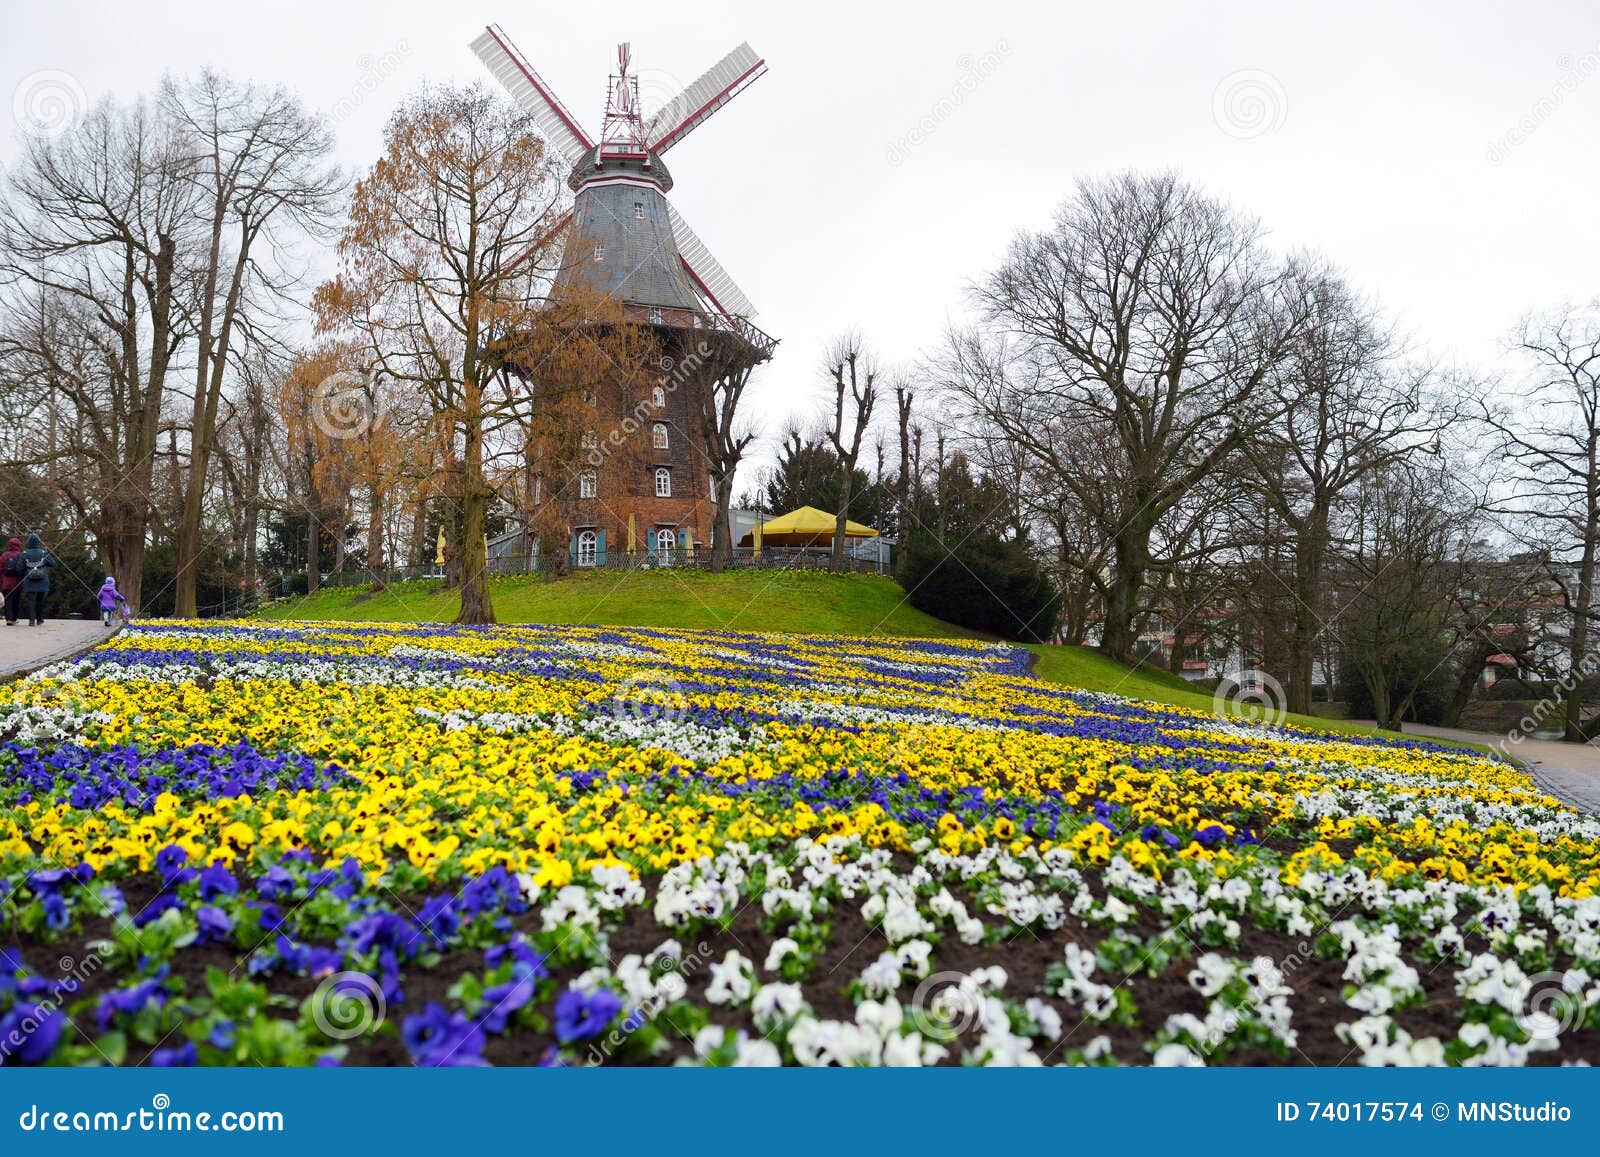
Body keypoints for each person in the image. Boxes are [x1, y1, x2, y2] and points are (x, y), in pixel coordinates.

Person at [18, 533, 56, 627]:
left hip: (29, 581)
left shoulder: (24, 554)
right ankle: (39, 619)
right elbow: (53, 563)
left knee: (31, 601)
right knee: (40, 601)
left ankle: (31, 620)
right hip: (42, 581)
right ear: (39, 542)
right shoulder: (44, 553)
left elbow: (19, 568)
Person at [0, 537, 22, 626]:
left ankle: (8, 618)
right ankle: (14, 618)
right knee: (16, 600)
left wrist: (2, 579)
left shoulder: (4, 555)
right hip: (17, 582)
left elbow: (0, 568)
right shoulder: (20, 555)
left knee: (7, 600)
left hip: (6, 581)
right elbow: (22, 569)